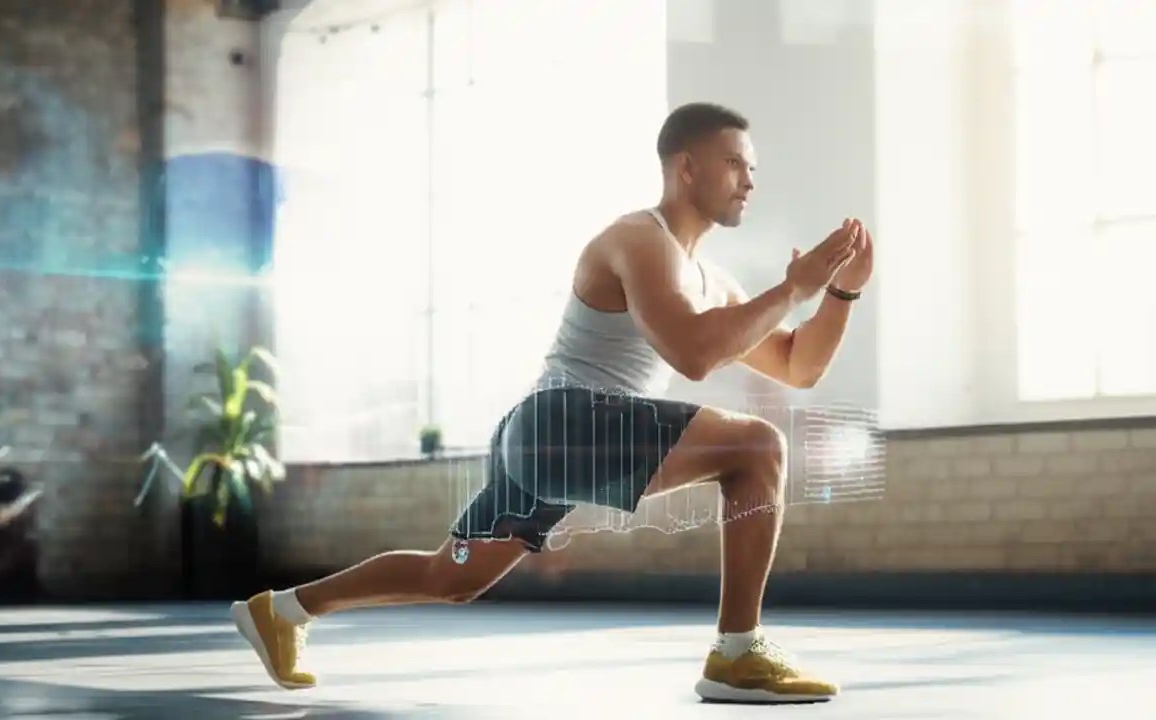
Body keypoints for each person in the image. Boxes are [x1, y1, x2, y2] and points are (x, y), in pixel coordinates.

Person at [231, 102, 874, 703]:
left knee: (451, 575)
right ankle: (737, 653)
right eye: (735, 163)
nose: (749, 182)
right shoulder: (638, 239)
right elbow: (693, 354)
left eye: (752, 168)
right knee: (758, 447)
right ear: (687, 167)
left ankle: (282, 609)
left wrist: (839, 295)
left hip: (543, 440)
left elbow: (798, 365)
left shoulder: (716, 282)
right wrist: (793, 288)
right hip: (566, 423)